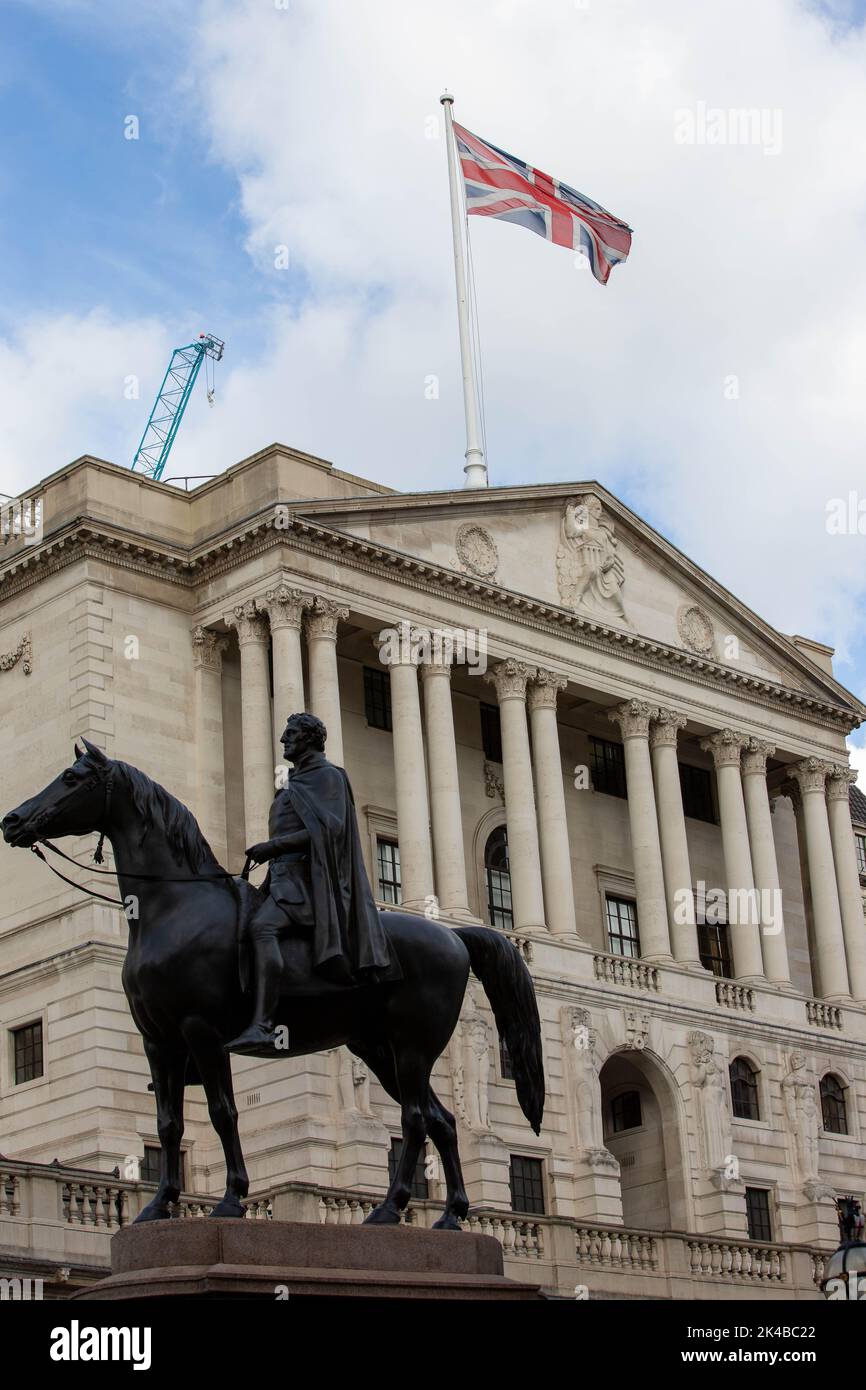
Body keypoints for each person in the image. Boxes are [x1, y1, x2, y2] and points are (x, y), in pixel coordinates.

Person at [226, 711, 392, 1055]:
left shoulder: (328, 777)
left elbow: (330, 831)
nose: (284, 740)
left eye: (290, 734)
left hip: (310, 885)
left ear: (310, 739)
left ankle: (263, 1025)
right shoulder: (293, 781)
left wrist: (273, 847)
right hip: (282, 881)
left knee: (262, 929)